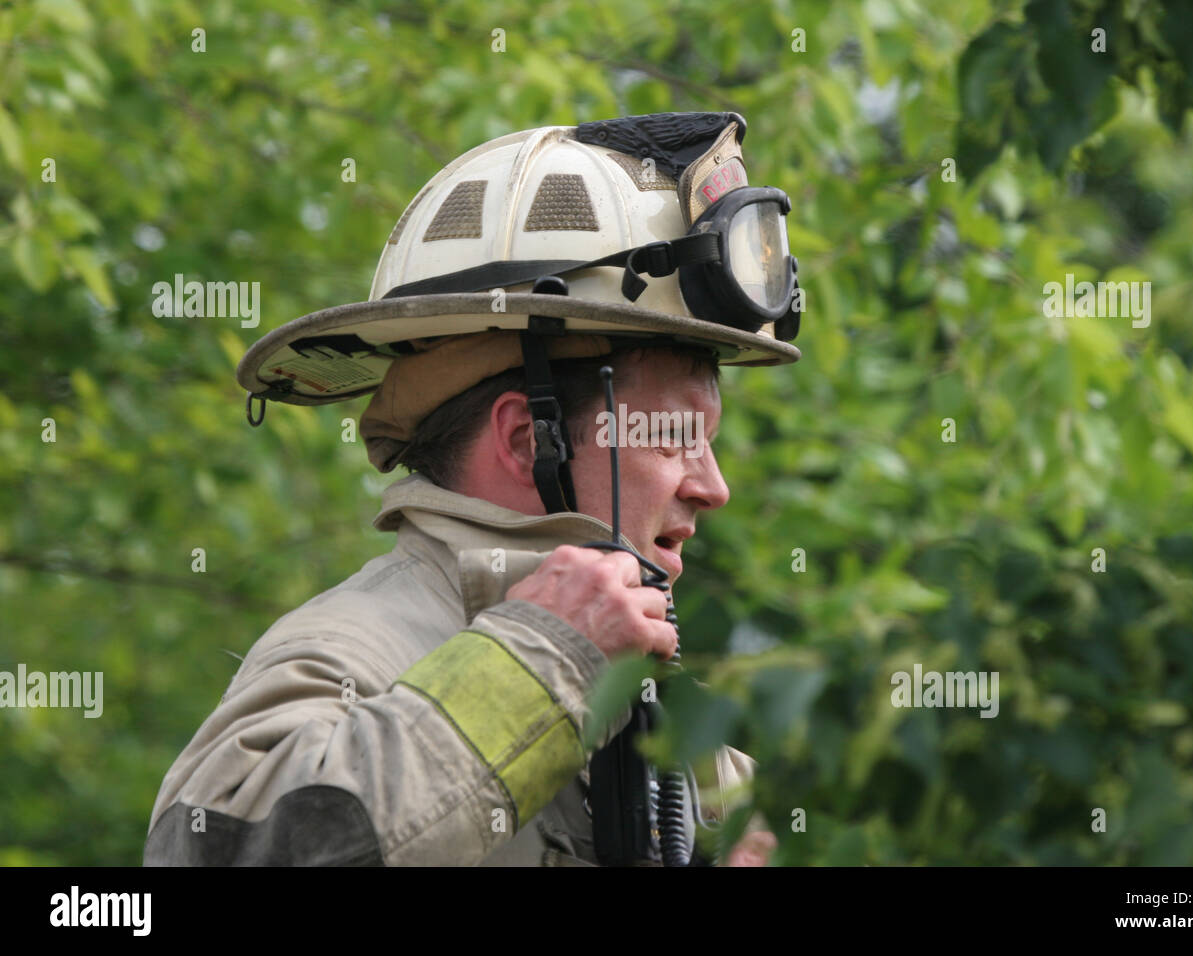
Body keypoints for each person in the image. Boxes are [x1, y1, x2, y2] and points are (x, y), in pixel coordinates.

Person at [144, 111, 801, 866]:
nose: (714, 487)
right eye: (674, 435)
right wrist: (547, 661)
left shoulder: (687, 745)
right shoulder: (348, 653)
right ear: (529, 439)